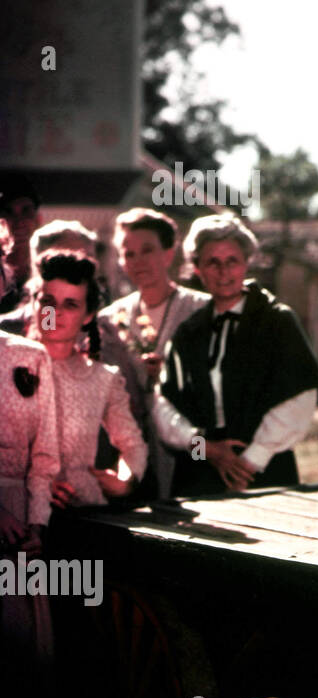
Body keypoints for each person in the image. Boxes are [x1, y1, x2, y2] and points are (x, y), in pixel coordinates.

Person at [154, 214, 318, 495]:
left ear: (247, 262)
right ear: (197, 268)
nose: (224, 272)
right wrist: (205, 449)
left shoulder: (277, 321)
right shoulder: (188, 332)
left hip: (264, 469)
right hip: (200, 470)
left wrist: (249, 462)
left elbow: (300, 398)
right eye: (212, 262)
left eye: (232, 260)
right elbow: (164, 406)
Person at [0, 218, 60, 698]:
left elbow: (45, 456)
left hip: (23, 533)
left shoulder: (29, 357)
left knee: (25, 673)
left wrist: (34, 521)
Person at [101, 208, 209, 497]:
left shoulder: (201, 310)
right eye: (129, 253)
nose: (138, 261)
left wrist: (175, 374)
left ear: (168, 254)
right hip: (132, 448)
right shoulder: (111, 319)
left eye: (147, 250)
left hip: (191, 443)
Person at [29, 250, 148, 508]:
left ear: (88, 315)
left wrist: (125, 481)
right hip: (15, 512)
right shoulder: (6, 365)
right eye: (48, 301)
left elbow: (133, 445)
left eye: (70, 304)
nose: (56, 313)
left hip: (83, 511)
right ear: (34, 303)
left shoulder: (101, 378)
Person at [0, 177, 40, 314]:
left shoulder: (48, 271)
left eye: (25, 211)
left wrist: (48, 331)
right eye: (9, 212)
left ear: (38, 219)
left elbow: (50, 324)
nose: (19, 221)